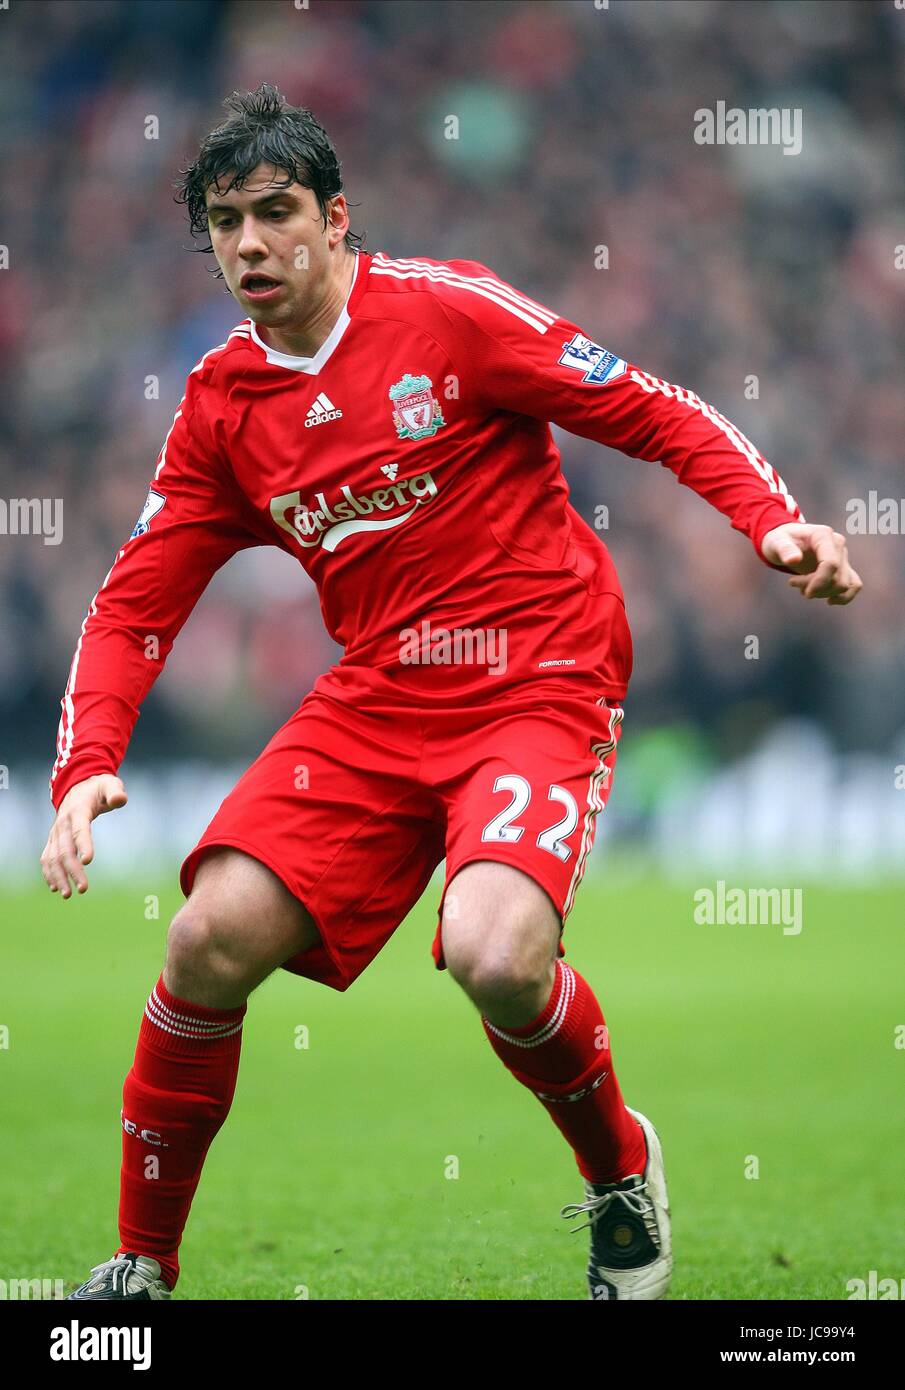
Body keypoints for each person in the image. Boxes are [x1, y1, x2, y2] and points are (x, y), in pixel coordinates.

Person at [42, 84, 861, 1303]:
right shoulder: (219, 407)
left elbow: (645, 407)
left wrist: (770, 522)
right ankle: (140, 1271)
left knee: (493, 956)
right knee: (204, 939)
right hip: (377, 697)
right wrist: (87, 758)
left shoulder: (449, 312)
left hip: (539, 671)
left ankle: (621, 1171)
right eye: (227, 223)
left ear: (336, 217)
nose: (253, 243)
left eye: (278, 212)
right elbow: (134, 603)